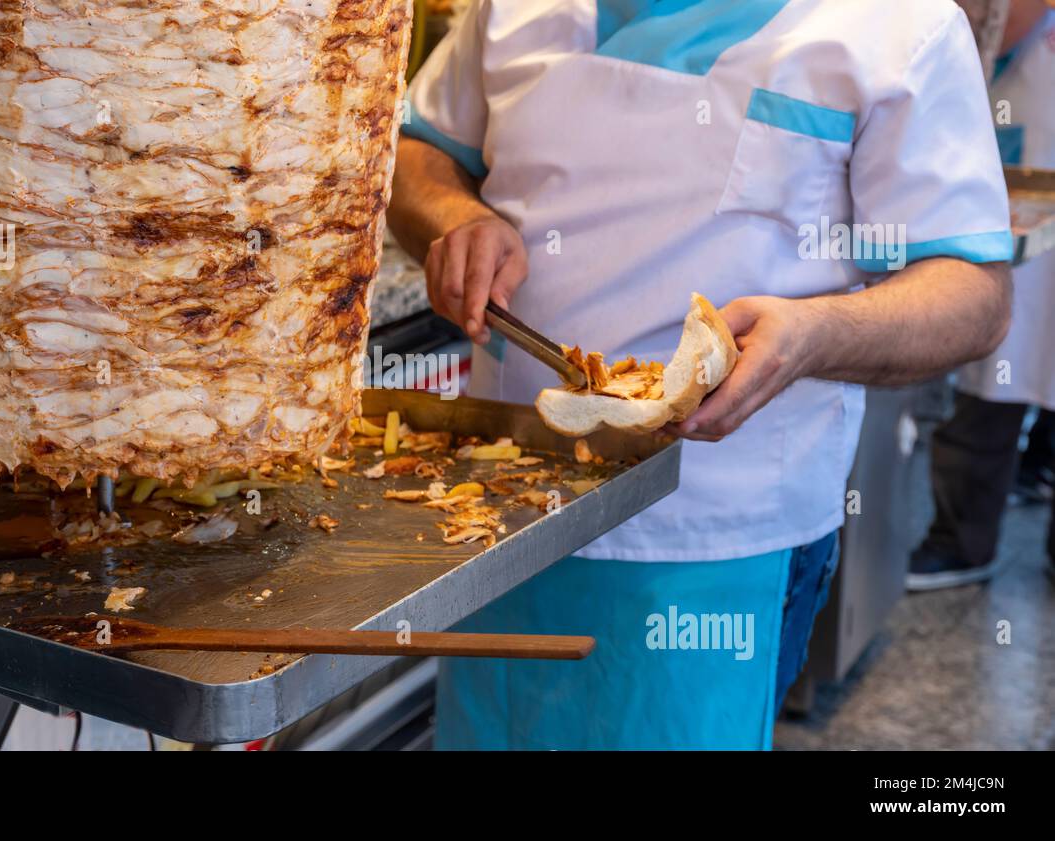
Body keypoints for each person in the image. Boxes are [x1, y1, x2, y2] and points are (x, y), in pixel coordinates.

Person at [387, 0, 1013, 750]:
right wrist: (455, 217)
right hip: (504, 511)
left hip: (718, 538)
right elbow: (414, 152)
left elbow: (973, 291)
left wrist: (815, 335)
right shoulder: (510, 11)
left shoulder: (896, 25)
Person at [909, 0, 1055, 591]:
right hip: (1027, 143)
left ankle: (964, 537)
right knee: (1006, 352)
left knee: (1011, 353)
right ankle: (961, 539)